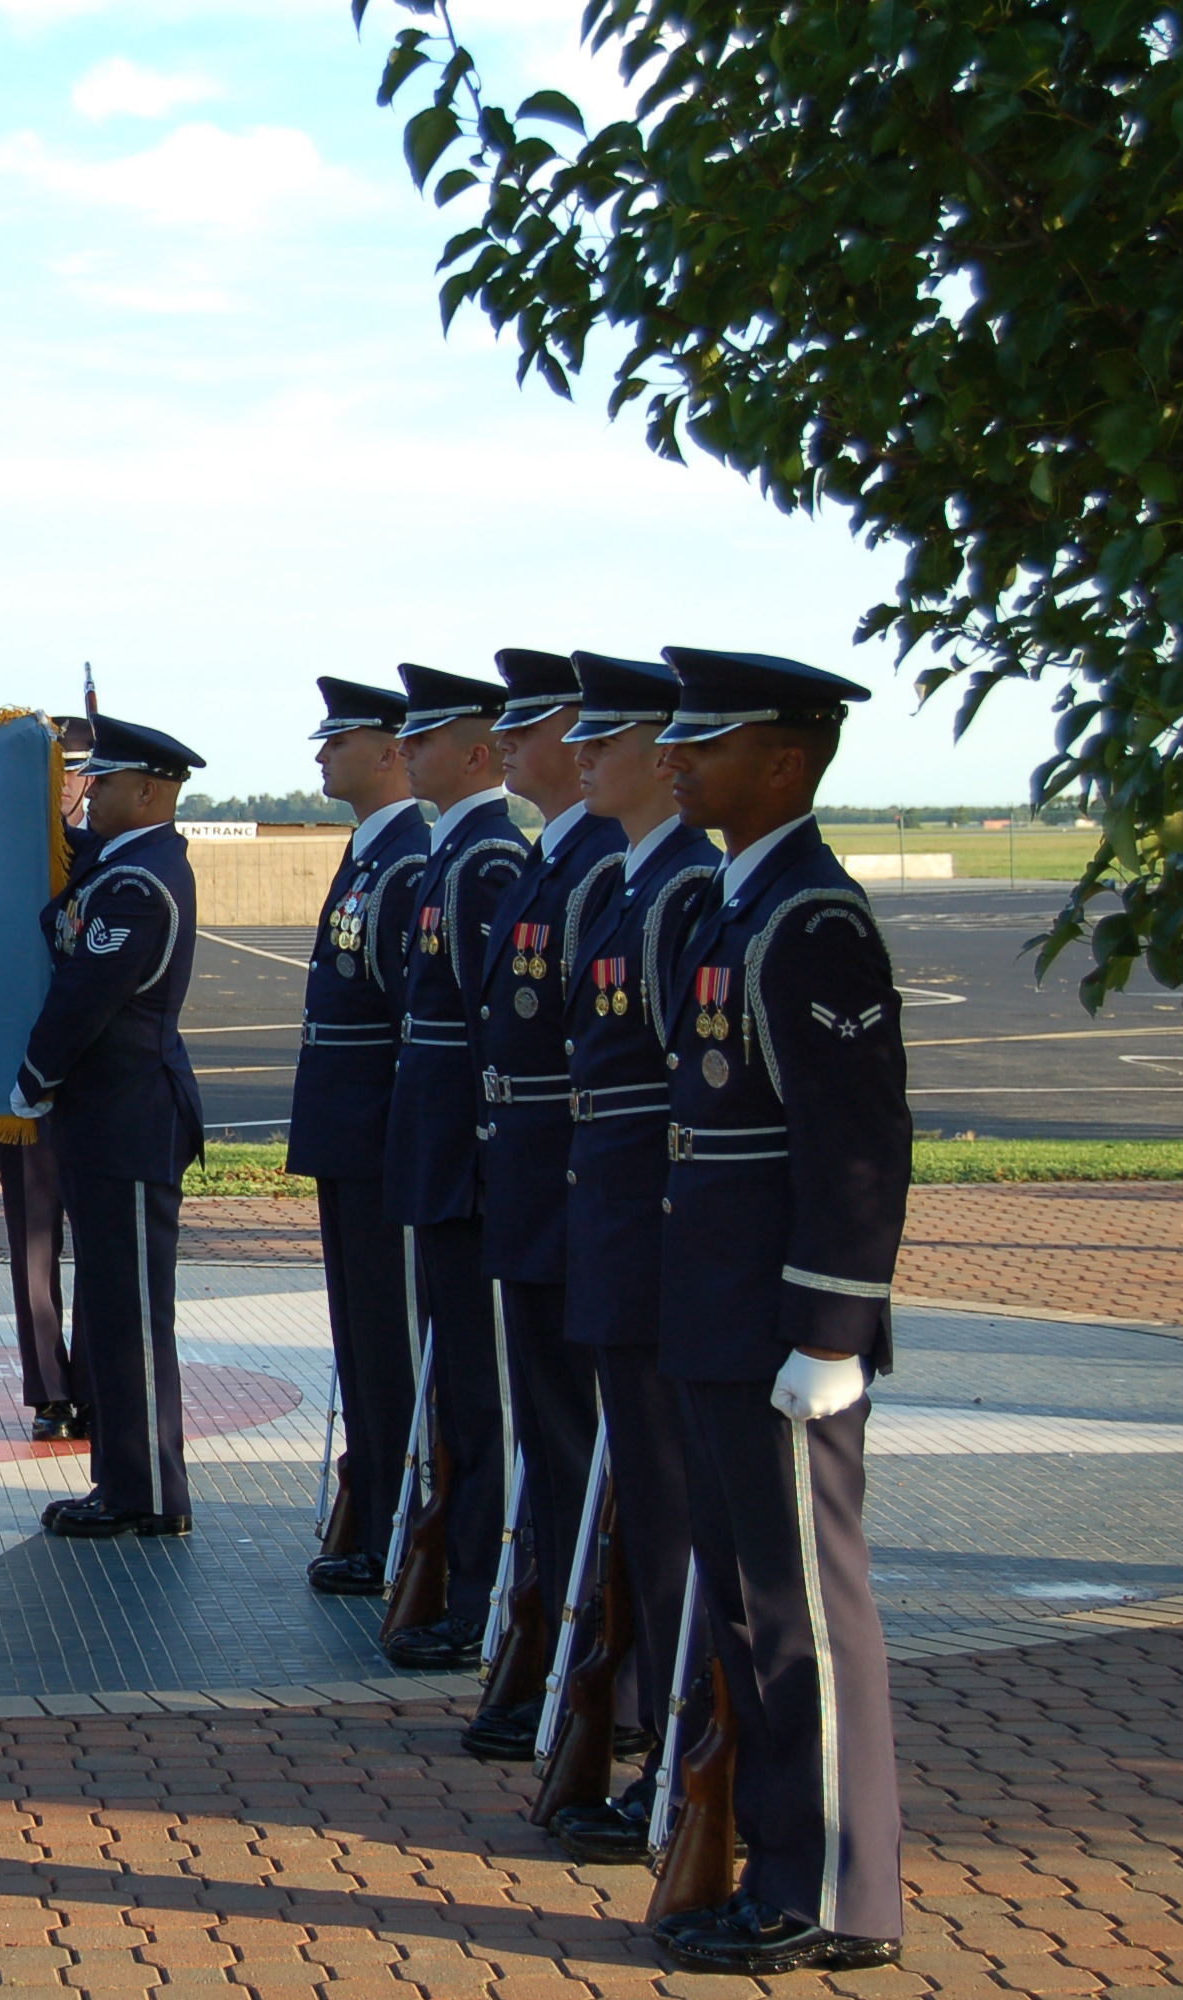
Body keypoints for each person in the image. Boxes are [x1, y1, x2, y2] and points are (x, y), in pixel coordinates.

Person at [645, 648, 905, 1977]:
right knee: (750, 1610)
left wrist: (831, 1332)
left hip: (779, 1326)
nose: (677, 762)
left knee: (805, 1608)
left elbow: (857, 1143)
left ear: (785, 766)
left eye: (708, 744)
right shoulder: (728, 906)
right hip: (715, 1307)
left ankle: (838, 1894)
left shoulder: (811, 920)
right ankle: (776, 1866)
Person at [545, 649, 717, 1862]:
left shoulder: (676, 893)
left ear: (660, 757)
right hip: (605, 1215)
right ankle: (654, 1740)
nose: (579, 756)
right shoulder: (628, 878)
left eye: (602, 744)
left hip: (649, 1228)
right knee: (642, 1510)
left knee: (667, 1510)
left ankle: (677, 1750)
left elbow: (683, 1088)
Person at [460, 648, 633, 1760]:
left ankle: (593, 1674)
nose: (516, 744)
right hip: (523, 1168)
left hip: (568, 1175)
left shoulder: (603, 869)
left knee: (576, 1440)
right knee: (550, 1435)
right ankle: (565, 1662)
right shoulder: (552, 859)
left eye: (538, 728)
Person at [13, 712, 207, 1536]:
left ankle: (150, 1494)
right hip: (106, 1120)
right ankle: (124, 1480)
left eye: (107, 782)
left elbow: (87, 994)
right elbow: (70, 851)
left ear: (151, 791)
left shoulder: (141, 884)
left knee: (130, 1314)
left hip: (129, 1118)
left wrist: (34, 1076)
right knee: (113, 1307)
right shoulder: (123, 863)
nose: (90, 794)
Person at [378, 662, 530, 1670]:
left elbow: (490, 1033)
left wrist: (476, 1158)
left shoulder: (482, 860)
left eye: (424, 740)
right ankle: (466, 1585)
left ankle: (484, 1596)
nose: (408, 753)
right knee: (455, 1392)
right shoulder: (451, 851)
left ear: (474, 752)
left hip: (465, 1166)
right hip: (435, 1159)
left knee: (482, 1395)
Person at [291, 679, 428, 1597]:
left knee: (391, 1347)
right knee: (363, 1342)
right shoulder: (372, 854)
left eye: (338, 741)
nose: (320, 756)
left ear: (392, 751)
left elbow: (413, 1024)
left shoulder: (410, 861)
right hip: (349, 1139)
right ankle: (374, 1507)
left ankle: (400, 1524)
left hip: (382, 1141)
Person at [0, 713, 97, 1441]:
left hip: (92, 1082)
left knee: (95, 1242)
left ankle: (93, 1379)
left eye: (71, 770)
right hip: (22, 1075)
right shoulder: (3, 858)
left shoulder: (108, 858)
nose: (60, 784)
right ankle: (49, 1388)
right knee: (33, 1241)